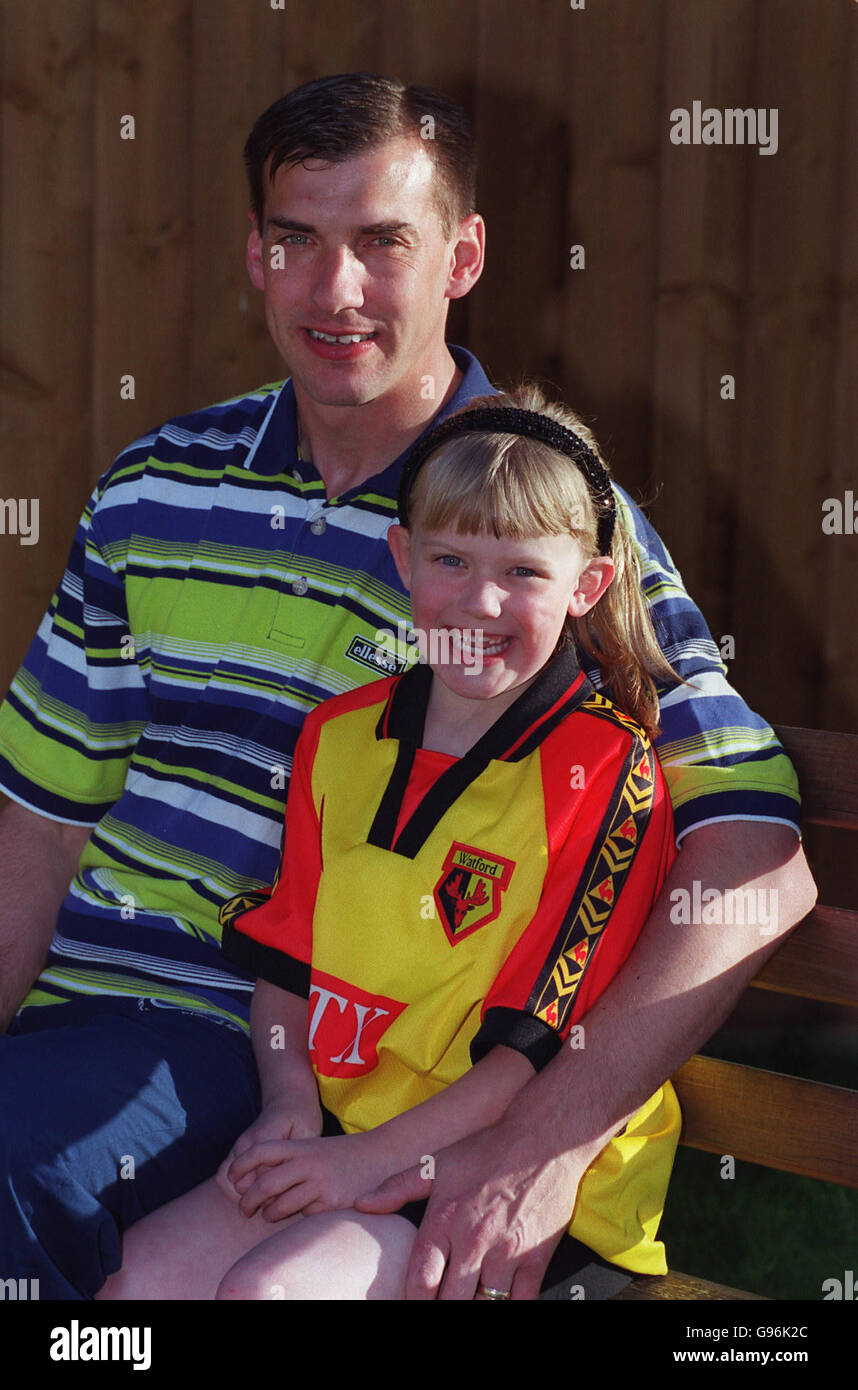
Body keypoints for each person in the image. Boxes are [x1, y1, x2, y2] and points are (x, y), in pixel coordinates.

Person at [0, 73, 815, 1301]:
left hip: (254, 1047)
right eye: (297, 240)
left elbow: (757, 856)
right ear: (255, 254)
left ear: (464, 256)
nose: (335, 292)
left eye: (384, 242)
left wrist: (541, 1148)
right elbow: (35, 828)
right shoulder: (155, 486)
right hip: (73, 1021)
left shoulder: (529, 533)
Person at [99, 387, 682, 1301]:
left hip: (518, 1183)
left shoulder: (605, 773)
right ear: (402, 559)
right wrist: (291, 1103)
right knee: (133, 1287)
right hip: (348, 1138)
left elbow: (533, 1051)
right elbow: (287, 967)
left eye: (523, 572)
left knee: (268, 1294)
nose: (479, 600)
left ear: (588, 587)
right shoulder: (338, 735)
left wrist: (362, 1160)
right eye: (450, 558)